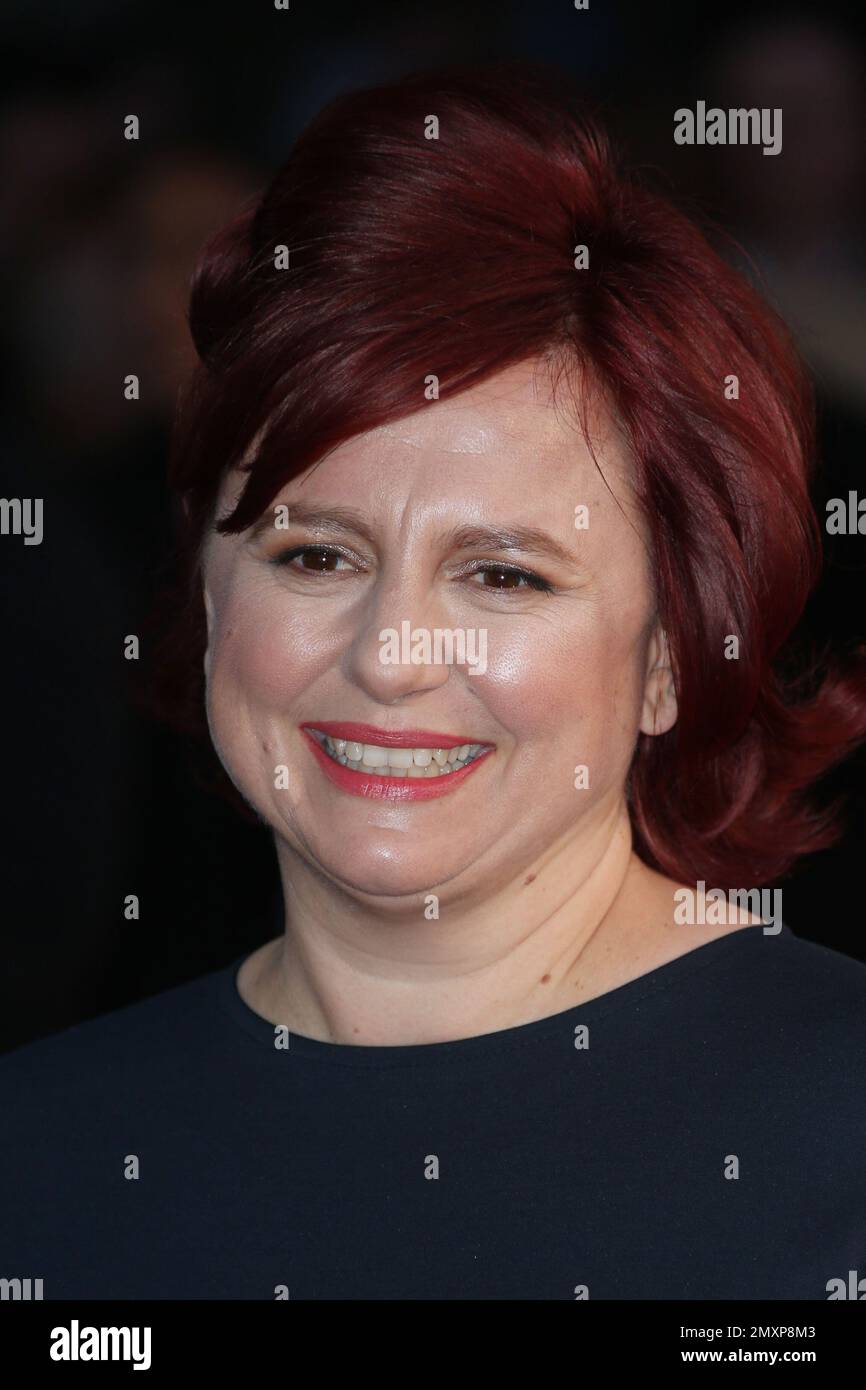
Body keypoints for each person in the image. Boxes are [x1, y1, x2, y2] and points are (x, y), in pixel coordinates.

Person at [3, 63, 866, 1302]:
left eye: (504, 577)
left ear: (674, 651)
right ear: (207, 592)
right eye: (314, 554)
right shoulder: (40, 1151)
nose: (388, 654)